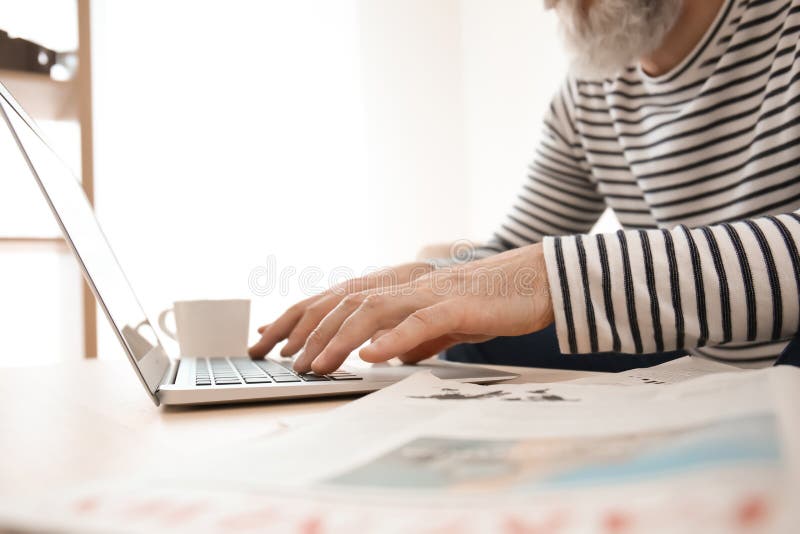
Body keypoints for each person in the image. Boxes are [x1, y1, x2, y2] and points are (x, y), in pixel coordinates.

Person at [249, 0, 800, 375]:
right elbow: (514, 254)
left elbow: (544, 272)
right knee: (463, 330)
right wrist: (432, 280)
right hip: (696, 373)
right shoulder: (589, 94)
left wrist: (551, 272)